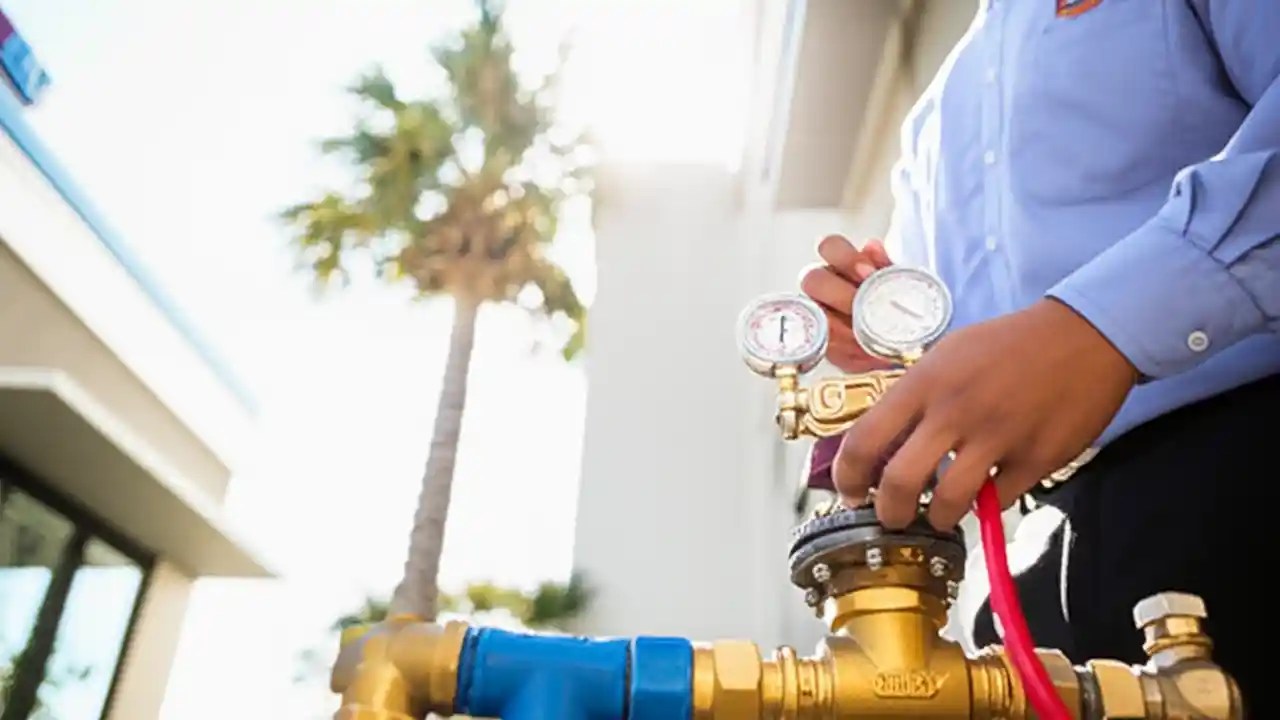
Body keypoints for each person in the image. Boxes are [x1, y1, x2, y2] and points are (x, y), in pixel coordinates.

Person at [799, 1, 1277, 713]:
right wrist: (877, 329)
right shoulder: (935, 115)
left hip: (1237, 476)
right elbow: (940, 326)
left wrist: (1102, 327)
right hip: (1023, 549)